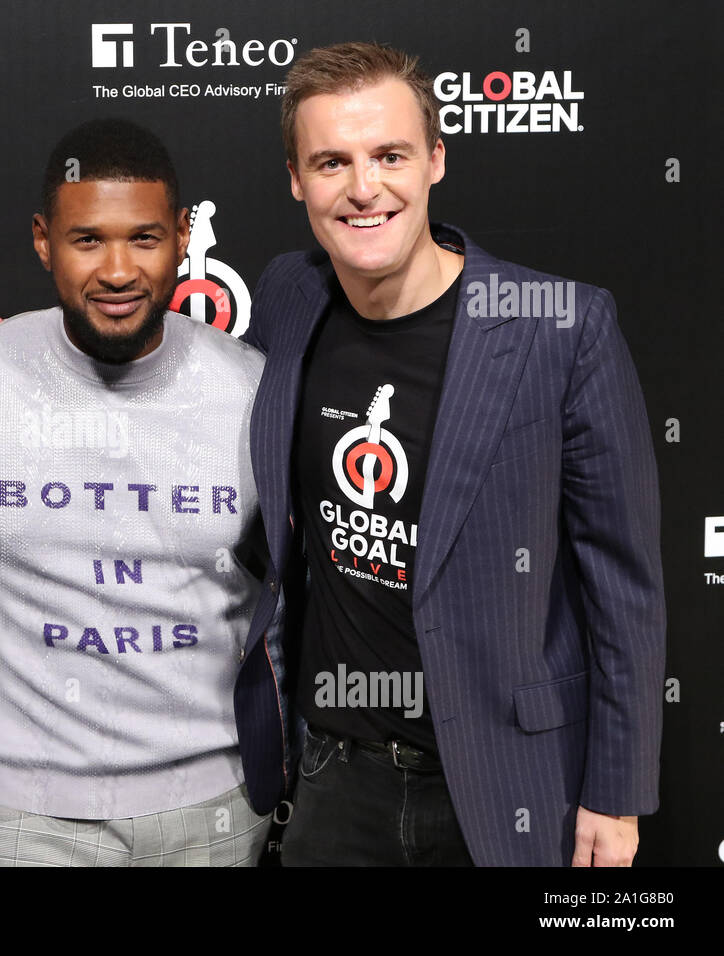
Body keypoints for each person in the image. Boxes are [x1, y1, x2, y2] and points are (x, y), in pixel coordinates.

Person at [242, 42, 664, 866]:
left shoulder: (559, 327)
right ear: (297, 180)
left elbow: (624, 584)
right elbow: (193, 376)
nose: (364, 188)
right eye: (332, 162)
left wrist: (615, 794)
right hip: (333, 781)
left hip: (509, 785)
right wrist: (17, 347)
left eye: (390, 155)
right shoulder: (290, 294)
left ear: (435, 159)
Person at [0, 118, 282, 866]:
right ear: (43, 240)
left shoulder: (254, 390)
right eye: (87, 240)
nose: (118, 271)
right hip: (17, 820)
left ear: (183, 237)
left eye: (144, 239)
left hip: (211, 815)